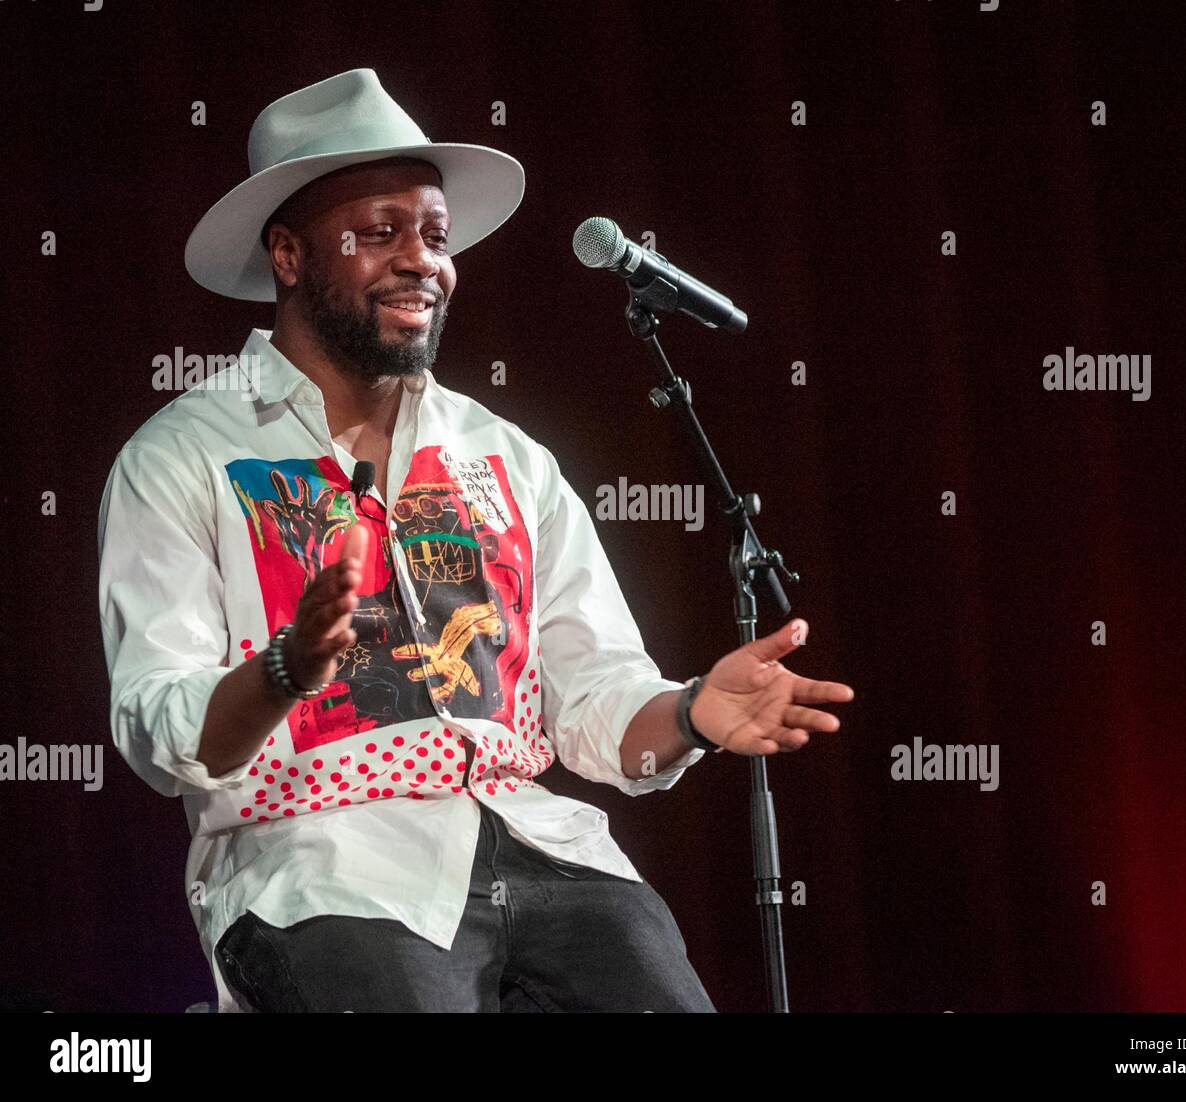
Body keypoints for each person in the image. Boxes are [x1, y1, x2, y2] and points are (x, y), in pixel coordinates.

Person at [97, 69, 854, 1013]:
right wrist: (286, 670)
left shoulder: (505, 458)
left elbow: (595, 697)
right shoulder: (182, 458)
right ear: (288, 255)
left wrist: (695, 711)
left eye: (436, 236)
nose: (425, 261)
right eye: (380, 234)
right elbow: (159, 728)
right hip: (324, 866)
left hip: (543, 854)